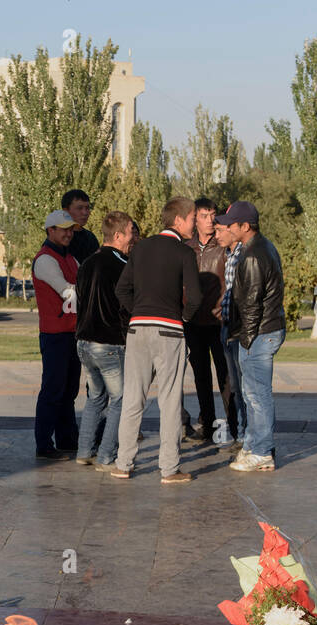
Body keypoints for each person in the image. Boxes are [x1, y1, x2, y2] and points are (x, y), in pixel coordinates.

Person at [112, 197, 202, 484]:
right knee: (170, 401)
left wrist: (137, 311)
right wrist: (182, 316)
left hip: (138, 329)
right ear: (179, 220)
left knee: (132, 400)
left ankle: (122, 465)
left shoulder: (141, 248)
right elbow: (197, 297)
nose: (195, 224)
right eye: (193, 219)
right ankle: (169, 469)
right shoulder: (185, 252)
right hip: (170, 332)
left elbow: (121, 289)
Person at [218, 200, 285, 472]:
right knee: (252, 393)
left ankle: (261, 451)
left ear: (245, 227)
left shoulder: (254, 254)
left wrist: (245, 338)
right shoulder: (255, 248)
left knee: (257, 395)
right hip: (259, 331)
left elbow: (251, 304)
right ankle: (255, 445)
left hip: (259, 332)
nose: (227, 227)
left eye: (232, 224)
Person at [73, 210, 134, 470]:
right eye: (131, 232)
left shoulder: (87, 263)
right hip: (109, 342)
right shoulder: (121, 265)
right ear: (118, 235)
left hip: (84, 340)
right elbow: (124, 306)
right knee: (120, 399)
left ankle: (85, 450)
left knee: (95, 397)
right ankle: (107, 454)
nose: (133, 238)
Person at [185, 198, 237, 445]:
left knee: (226, 377)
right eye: (204, 216)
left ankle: (236, 426)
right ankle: (207, 423)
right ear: (194, 219)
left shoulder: (223, 245)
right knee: (201, 376)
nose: (209, 221)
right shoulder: (186, 247)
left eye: (212, 216)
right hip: (193, 323)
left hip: (219, 323)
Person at [31, 210, 82, 459]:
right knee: (53, 390)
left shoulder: (70, 258)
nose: (68, 233)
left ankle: (67, 439)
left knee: (69, 391)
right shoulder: (45, 259)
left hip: (71, 333)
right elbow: (67, 291)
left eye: (71, 229)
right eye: (63, 229)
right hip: (55, 335)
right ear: (50, 230)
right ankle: (44, 443)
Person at [217, 219, 247, 451]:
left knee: (245, 386)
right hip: (227, 325)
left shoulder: (243, 255)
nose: (217, 235)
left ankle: (248, 436)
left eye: (220, 230)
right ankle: (241, 434)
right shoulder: (230, 255)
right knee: (235, 385)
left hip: (239, 328)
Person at [62, 188, 100, 262]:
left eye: (87, 208)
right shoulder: (58, 240)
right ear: (66, 211)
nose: (85, 213)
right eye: (79, 208)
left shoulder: (91, 238)